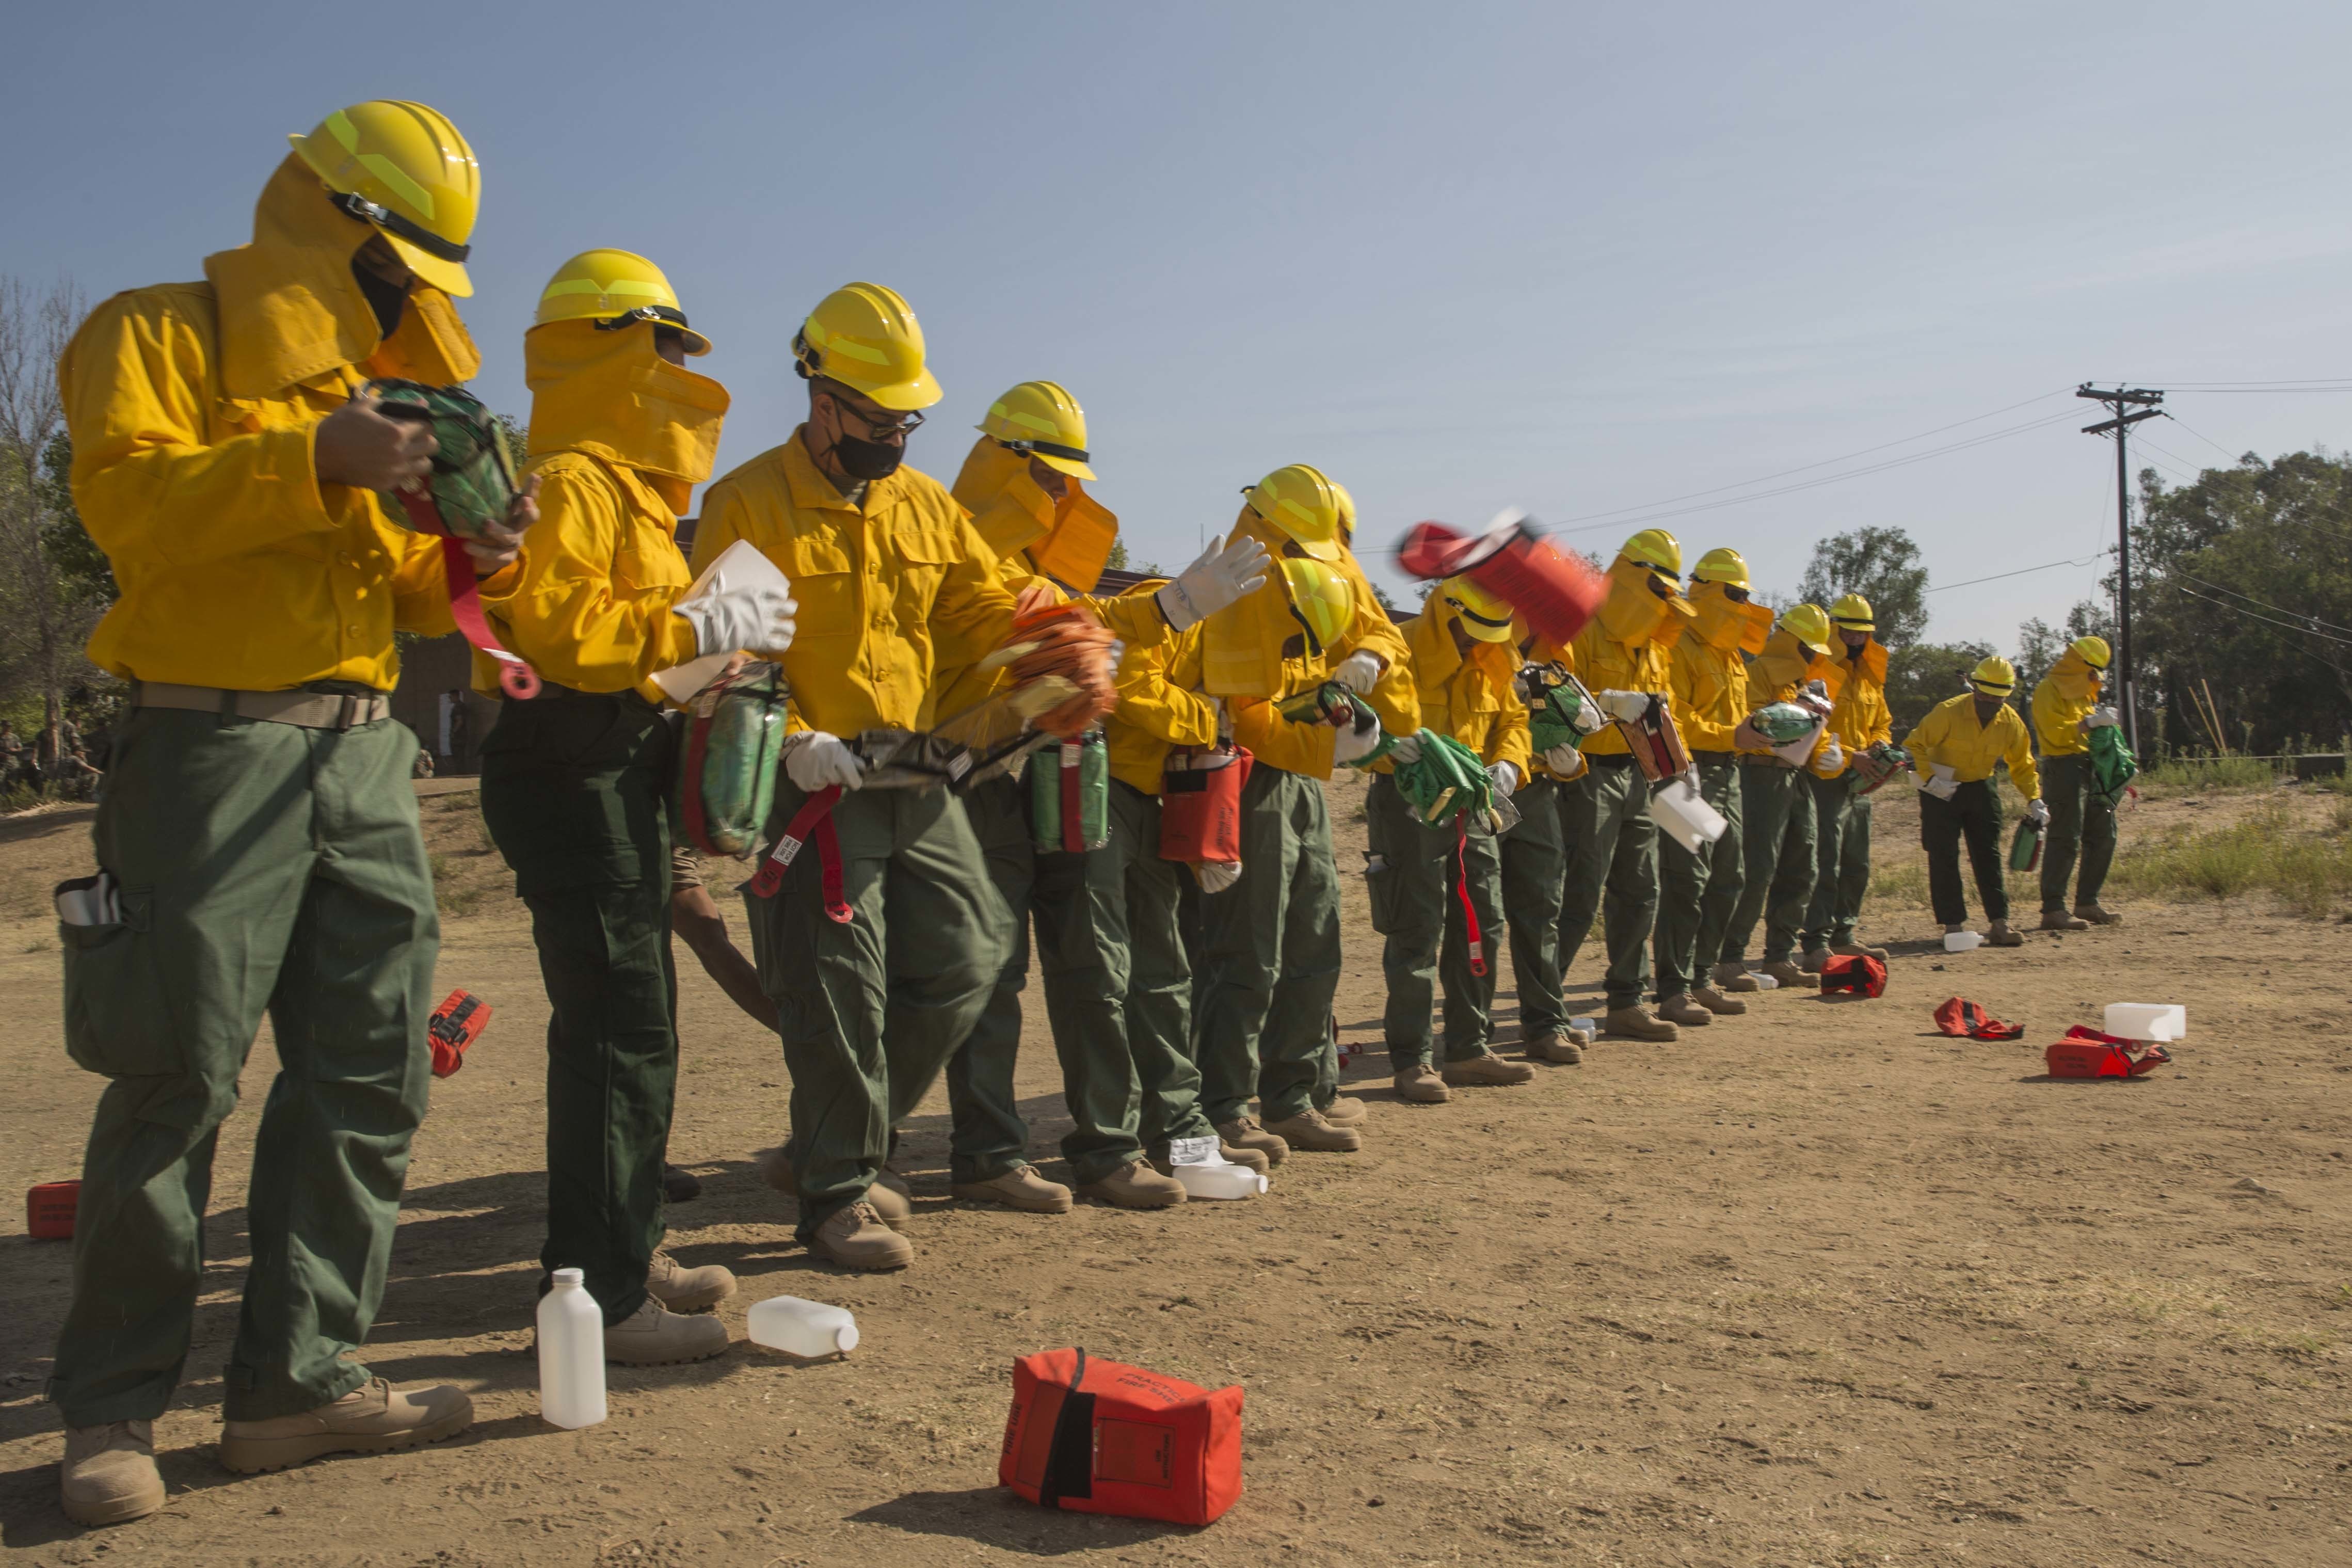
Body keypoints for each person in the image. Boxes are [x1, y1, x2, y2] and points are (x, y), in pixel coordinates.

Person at [47, 100, 525, 1525]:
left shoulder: (383, 401)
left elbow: (390, 598)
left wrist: (477, 550)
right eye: (398, 266)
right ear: (337, 221)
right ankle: (112, 1406)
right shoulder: (155, 332)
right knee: (176, 1071)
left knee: (373, 1070)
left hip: (367, 756)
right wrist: (310, 456)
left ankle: (296, 1386)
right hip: (207, 749)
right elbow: (128, 510)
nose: (403, 300)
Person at [691, 283, 1049, 1270]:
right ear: (823, 401)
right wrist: (796, 735)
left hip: (913, 772)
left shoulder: (926, 506)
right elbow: (718, 660)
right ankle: (837, 1193)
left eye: (907, 421)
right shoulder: (747, 503)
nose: (896, 437)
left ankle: (832, 1142)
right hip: (811, 784)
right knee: (840, 985)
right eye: (881, 420)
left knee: (973, 952)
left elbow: (981, 609)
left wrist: (1052, 637)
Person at [476, 249, 781, 1363]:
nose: (678, 366)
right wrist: (696, 630)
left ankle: (622, 1248)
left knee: (634, 1025)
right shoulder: (569, 479)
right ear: (607, 346)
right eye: (665, 343)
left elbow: (635, 659)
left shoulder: (631, 498)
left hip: (615, 760)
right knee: (617, 1031)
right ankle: (601, 1297)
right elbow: (566, 636)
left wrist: (712, 663)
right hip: (572, 764)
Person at [931, 383, 1266, 1214]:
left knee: (1101, 970)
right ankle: (994, 1154)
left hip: (1048, 778)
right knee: (1001, 973)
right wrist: (1165, 615)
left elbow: (1082, 624)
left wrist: (1168, 610)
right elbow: (1062, 636)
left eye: (1066, 480)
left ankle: (1113, 1145)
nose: (1059, 494)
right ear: (1003, 462)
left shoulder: (1036, 567)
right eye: (1047, 476)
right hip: (972, 782)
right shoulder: (952, 548)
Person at [1197, 465, 1416, 1156]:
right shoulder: (1232, 589)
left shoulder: (1320, 572)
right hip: (1248, 780)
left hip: (1302, 779)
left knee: (1314, 940)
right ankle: (1223, 1105)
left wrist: (1368, 661)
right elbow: (1243, 711)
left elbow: (1382, 631)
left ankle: (1291, 1097)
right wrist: (1325, 745)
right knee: (1248, 950)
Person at [1372, 574, 1535, 1101]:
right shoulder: (1395, 647)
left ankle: (1468, 1049)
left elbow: (1514, 719)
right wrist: (1386, 748)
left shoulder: (1495, 656)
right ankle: (1413, 1060)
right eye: (1470, 633)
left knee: (1482, 922)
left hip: (1473, 807)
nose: (1476, 645)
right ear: (1447, 614)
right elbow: (1354, 726)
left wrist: (1510, 762)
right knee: (1415, 927)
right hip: (1407, 806)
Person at [1556, 529, 1692, 1042]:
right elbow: (1556, 701)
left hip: (1641, 775)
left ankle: (1627, 1002)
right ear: (1635, 575)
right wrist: (1609, 703)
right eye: (1658, 586)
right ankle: (1542, 1007)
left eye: (1670, 590)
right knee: (1579, 892)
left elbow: (1665, 713)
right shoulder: (1583, 628)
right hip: (1587, 775)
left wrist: (1680, 766)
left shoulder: (1656, 644)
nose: (1664, 599)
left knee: (1640, 890)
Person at [1655, 547, 1772, 1023]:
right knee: (1687, 881)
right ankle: (1674, 988)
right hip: (1685, 772)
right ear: (1705, 591)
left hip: (1728, 773)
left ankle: (1701, 977)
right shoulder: (1677, 644)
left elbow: (1737, 718)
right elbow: (1673, 718)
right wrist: (1730, 736)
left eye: (1745, 595)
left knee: (1729, 877)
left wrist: (1763, 731)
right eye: (1734, 594)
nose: (1742, 603)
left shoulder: (1733, 656)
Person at [1719, 603, 1840, 987]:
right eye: (1806, 647)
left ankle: (1779, 956)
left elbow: (1811, 738)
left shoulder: (1803, 685)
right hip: (1758, 777)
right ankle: (1730, 959)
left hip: (1795, 778)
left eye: (1814, 651)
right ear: (1789, 641)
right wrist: (1789, 714)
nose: (1810, 656)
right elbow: (1753, 724)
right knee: (1757, 870)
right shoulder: (1757, 673)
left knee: (1802, 867)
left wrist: (1827, 755)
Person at [1495, 623, 1593, 1064]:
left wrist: (1568, 764)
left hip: (1534, 790)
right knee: (1471, 915)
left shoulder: (1555, 655)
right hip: (1477, 784)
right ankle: (1468, 1034)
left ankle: (1545, 1024)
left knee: (1540, 909)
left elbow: (1565, 722)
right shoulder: (1469, 642)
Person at [1906, 656, 2044, 946]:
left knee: (1988, 855)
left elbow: (2023, 764)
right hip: (1939, 790)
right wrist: (1930, 780)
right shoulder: (1948, 712)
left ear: (2007, 695)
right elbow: (1914, 744)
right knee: (1943, 855)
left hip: (1981, 787)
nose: (1989, 701)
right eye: (1984, 694)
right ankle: (1953, 926)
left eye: (1997, 697)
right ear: (1975, 687)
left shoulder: (2011, 723)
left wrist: (2034, 799)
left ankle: (2000, 923)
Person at [1799, 593, 1895, 968]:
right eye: (1848, 631)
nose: (1855, 638)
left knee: (1857, 863)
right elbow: (1808, 724)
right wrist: (1851, 755)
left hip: (1860, 783)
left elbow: (1882, 721)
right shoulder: (1818, 671)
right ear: (1834, 630)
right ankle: (1816, 941)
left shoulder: (1870, 676)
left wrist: (1880, 744)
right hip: (1825, 778)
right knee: (1826, 860)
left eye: (1862, 633)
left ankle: (1844, 935)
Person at [2031, 635, 2122, 929]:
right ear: (2077, 662)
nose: (2095, 676)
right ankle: (2053, 909)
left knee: (2104, 834)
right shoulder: (2048, 689)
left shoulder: (2085, 691)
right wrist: (2090, 723)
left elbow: (2090, 730)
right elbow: (2055, 733)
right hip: (2063, 767)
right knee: (2065, 836)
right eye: (2091, 669)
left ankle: (2087, 903)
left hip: (2091, 766)